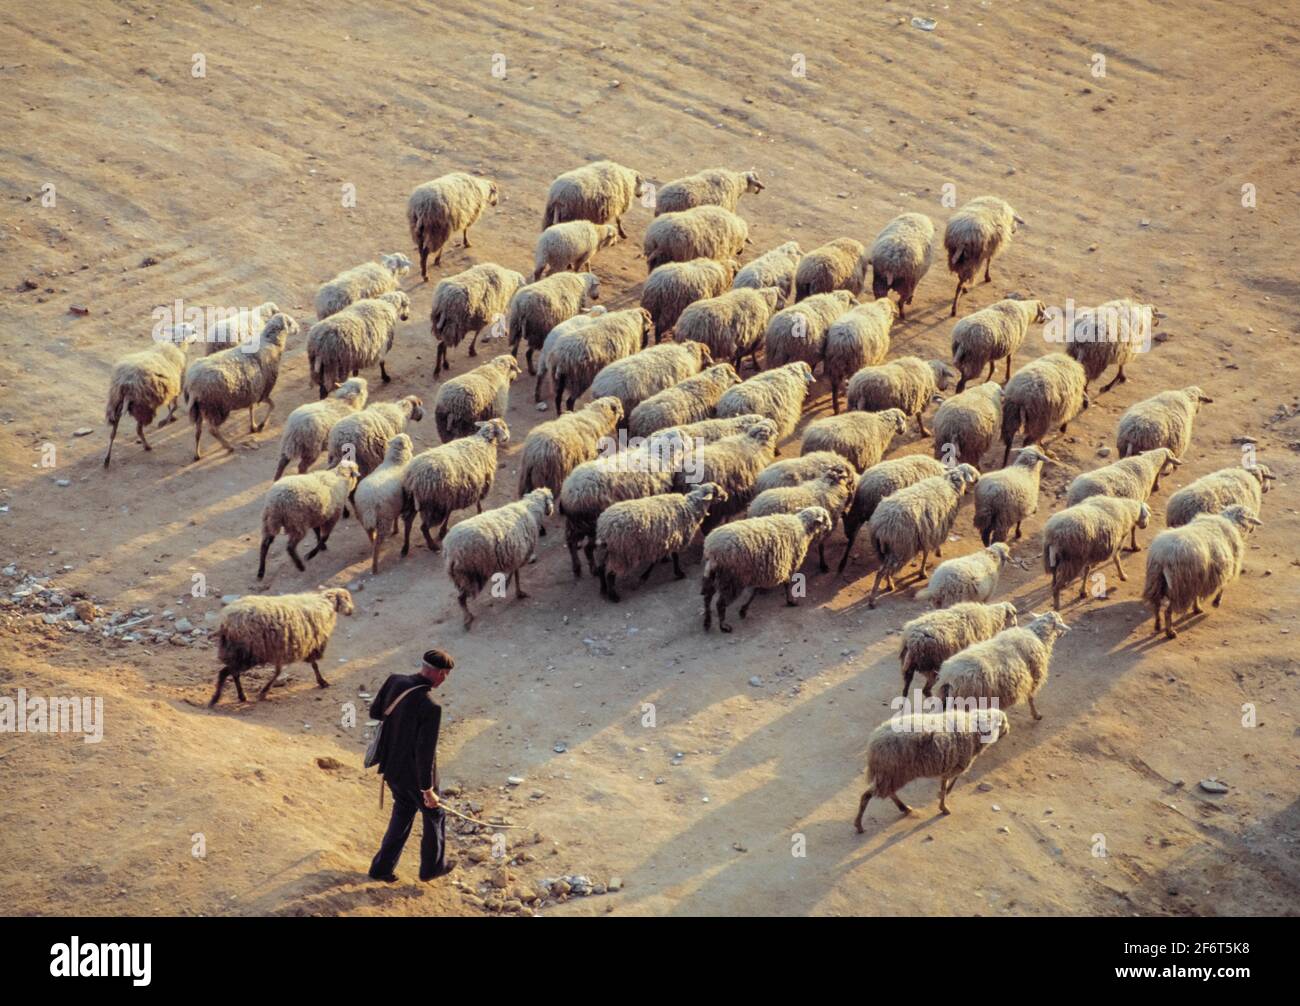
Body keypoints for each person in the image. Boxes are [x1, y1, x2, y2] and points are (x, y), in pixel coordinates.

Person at [368, 649, 455, 882]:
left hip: (390, 768)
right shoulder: (431, 707)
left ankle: (381, 868)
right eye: (444, 674)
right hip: (415, 777)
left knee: (403, 813)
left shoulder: (395, 680)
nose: (444, 679)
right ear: (439, 674)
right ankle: (432, 868)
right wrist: (428, 791)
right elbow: (425, 754)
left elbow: (375, 712)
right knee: (435, 814)